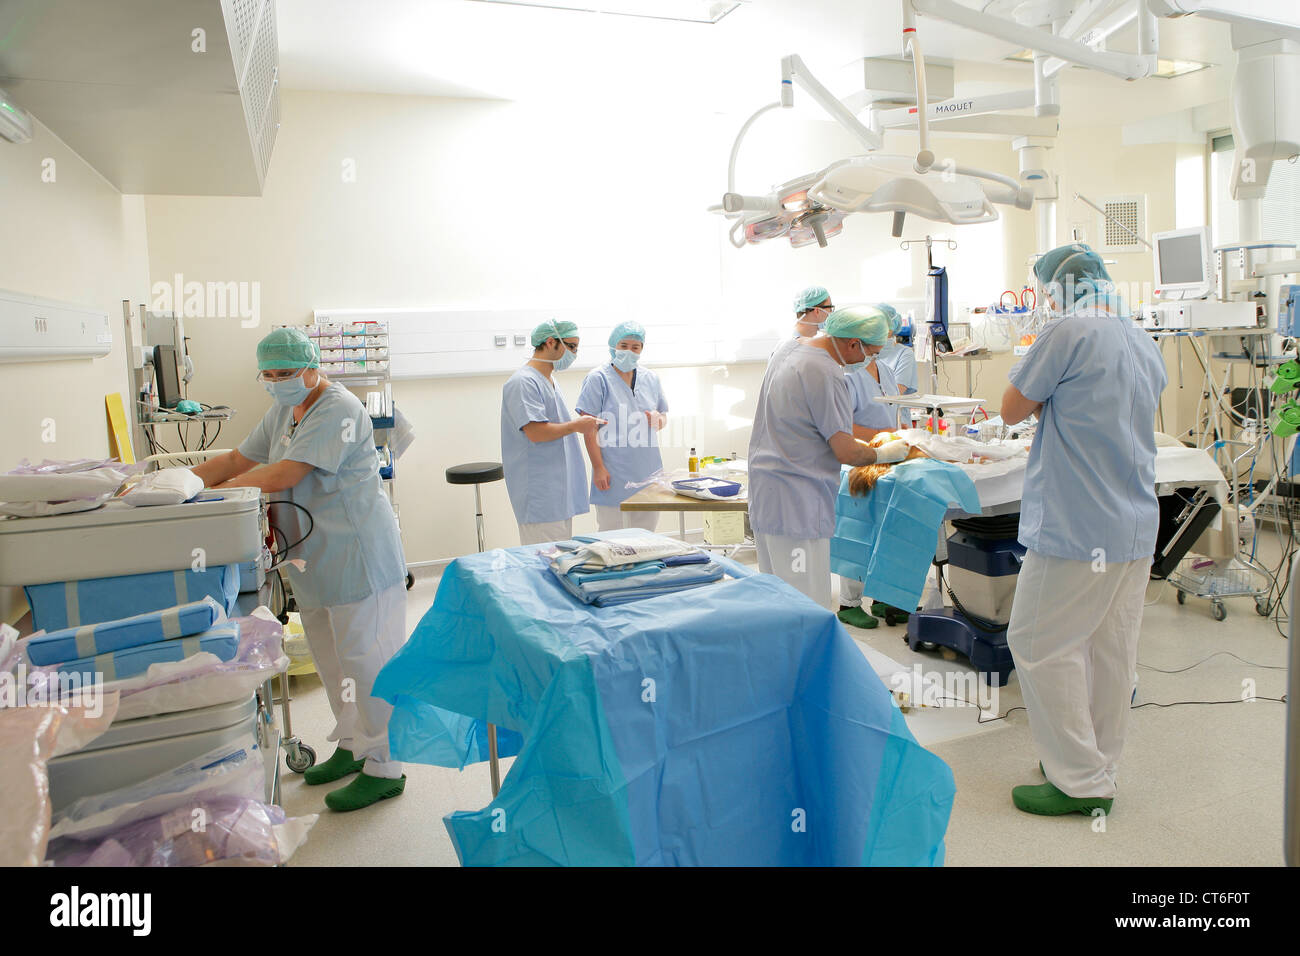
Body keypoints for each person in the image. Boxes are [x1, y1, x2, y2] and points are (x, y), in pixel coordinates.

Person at [191, 328, 408, 812]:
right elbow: (235, 458)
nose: (276, 382)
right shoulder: (285, 412)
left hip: (357, 555)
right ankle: (353, 744)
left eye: (285, 373)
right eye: (268, 375)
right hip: (314, 558)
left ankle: (385, 764)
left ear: (312, 366)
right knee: (333, 660)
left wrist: (211, 496)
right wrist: (182, 483)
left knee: (366, 661)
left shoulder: (338, 409)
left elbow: (285, 473)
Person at [1000, 243, 1166, 817]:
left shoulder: (1068, 330)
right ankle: (1097, 763)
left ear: (1056, 287)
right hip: (1134, 524)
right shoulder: (1138, 335)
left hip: (1079, 524)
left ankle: (1077, 779)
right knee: (1109, 647)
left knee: (1040, 642)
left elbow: (1011, 408)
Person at [748, 305, 910, 609]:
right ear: (853, 344)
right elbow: (846, 450)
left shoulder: (788, 350)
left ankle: (784, 657)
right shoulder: (825, 371)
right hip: (798, 503)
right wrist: (882, 452)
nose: (868, 360)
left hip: (768, 494)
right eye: (870, 353)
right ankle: (809, 658)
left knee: (777, 597)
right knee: (806, 603)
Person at [500, 319, 603, 545]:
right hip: (540, 494)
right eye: (571, 346)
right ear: (550, 342)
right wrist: (577, 425)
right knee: (544, 561)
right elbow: (536, 433)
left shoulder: (549, 379)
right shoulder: (523, 382)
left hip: (556, 492)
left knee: (558, 556)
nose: (574, 353)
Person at [837, 312, 904, 629]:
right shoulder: (847, 376)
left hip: (888, 460)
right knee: (858, 532)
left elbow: (895, 411)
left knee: (888, 530)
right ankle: (848, 603)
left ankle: (884, 598)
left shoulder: (887, 370)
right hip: (859, 459)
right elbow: (843, 426)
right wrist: (882, 439)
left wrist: (898, 439)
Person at [576, 321, 669, 531]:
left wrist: (658, 420)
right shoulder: (597, 379)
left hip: (647, 471)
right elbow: (589, 427)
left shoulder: (651, 378)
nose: (629, 351)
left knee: (647, 536)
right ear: (613, 346)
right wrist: (599, 468)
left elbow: (663, 417)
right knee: (612, 538)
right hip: (613, 471)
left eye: (635, 347)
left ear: (642, 349)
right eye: (624, 345)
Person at [873, 303, 919, 394]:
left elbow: (896, 392)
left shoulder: (904, 354)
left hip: (896, 408)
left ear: (893, 326)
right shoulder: (865, 353)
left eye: (884, 325)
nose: (880, 329)